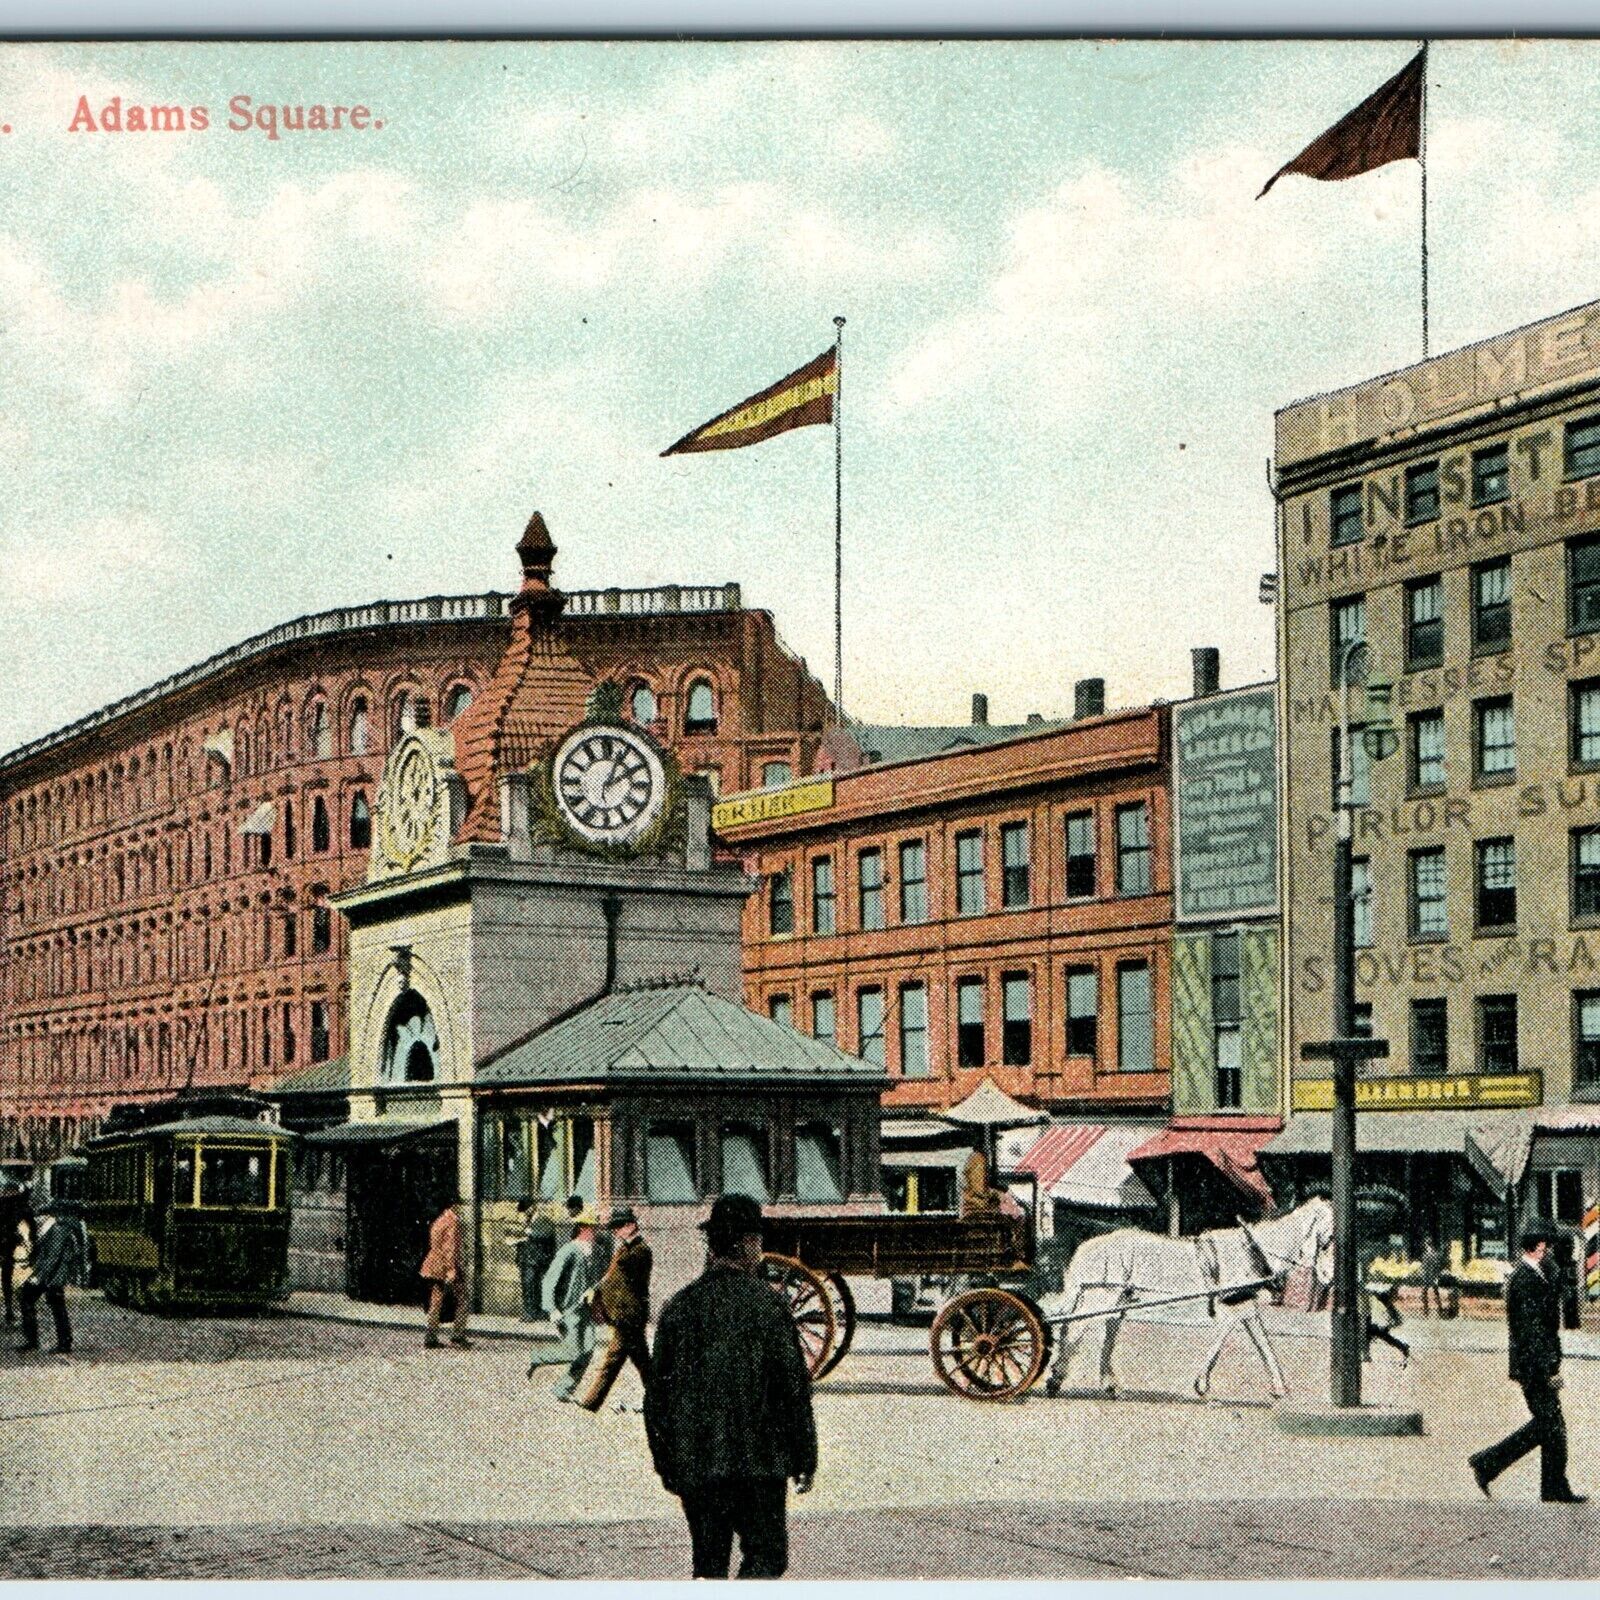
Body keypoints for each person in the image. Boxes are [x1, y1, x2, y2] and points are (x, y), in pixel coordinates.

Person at [645, 1193, 816, 1580]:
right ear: (748, 1244)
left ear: (713, 1244)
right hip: (759, 1465)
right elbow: (793, 1390)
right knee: (767, 1556)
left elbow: (657, 1398)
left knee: (708, 1564)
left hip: (699, 1464)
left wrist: (666, 1462)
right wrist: (804, 1456)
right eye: (758, 1241)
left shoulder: (679, 1308)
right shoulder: (769, 1307)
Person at [1470, 1222, 1587, 1503]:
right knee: (1550, 1425)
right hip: (1533, 1366)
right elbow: (1532, 1331)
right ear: (1539, 1247)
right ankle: (1487, 1463)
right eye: (1548, 1247)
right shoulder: (1525, 1279)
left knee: (1551, 1425)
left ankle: (1552, 1486)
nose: (1551, 1252)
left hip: (1537, 1364)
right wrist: (1547, 1370)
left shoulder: (1536, 1275)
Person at [576, 1206, 653, 1412]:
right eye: (615, 1227)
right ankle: (664, 1399)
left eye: (619, 1226)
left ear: (632, 1226)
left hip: (629, 1315)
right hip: (623, 1314)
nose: (616, 1231)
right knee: (644, 1363)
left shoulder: (640, 1250)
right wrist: (595, 1290)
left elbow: (624, 1271)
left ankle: (590, 1403)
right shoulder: (624, 1249)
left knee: (612, 1361)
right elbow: (610, 1277)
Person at [539, 1210, 601, 1401]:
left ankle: (564, 1388)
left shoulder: (592, 1251)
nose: (596, 1232)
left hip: (585, 1311)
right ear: (582, 1228)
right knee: (576, 1350)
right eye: (593, 1228)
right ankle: (539, 1359)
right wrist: (551, 1309)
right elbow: (549, 1280)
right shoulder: (568, 1251)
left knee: (588, 1349)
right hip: (567, 1311)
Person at [18, 1201, 82, 1355]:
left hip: (53, 1276)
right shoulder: (51, 1229)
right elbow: (45, 1254)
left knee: (35, 1300)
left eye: (42, 1216)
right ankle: (60, 1341)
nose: (38, 1219)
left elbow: (53, 1257)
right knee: (55, 1307)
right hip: (50, 1275)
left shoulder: (58, 1229)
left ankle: (58, 1342)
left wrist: (37, 1277)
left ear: (51, 1216)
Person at [419, 1195, 471, 1350]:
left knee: (436, 1302)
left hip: (433, 1264)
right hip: (445, 1266)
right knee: (463, 1300)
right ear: (455, 1205)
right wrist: (452, 1271)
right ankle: (458, 1336)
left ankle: (430, 1336)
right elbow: (450, 1248)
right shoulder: (452, 1221)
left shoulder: (440, 1220)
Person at [510, 1201, 557, 1321]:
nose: (525, 1213)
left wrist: (529, 1233)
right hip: (526, 1260)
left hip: (538, 1260)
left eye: (526, 1209)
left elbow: (546, 1234)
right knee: (527, 1286)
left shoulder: (543, 1220)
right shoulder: (528, 1222)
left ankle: (537, 1313)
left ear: (532, 1207)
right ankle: (529, 1312)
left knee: (535, 1286)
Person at [1419, 1238, 1445, 1318]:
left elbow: (1424, 1267)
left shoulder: (1427, 1255)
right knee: (1435, 1293)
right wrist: (1437, 1276)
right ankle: (1438, 1310)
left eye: (1426, 1245)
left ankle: (1426, 1311)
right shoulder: (1435, 1255)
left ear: (1428, 1245)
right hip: (1432, 1276)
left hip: (1428, 1277)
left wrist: (1422, 1274)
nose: (1426, 1246)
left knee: (1425, 1293)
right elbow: (1438, 1267)